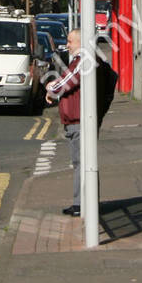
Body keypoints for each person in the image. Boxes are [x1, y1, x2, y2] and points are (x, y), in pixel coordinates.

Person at [45, 28, 92, 217]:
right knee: (79, 163)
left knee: (81, 163)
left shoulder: (83, 62)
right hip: (74, 121)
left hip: (79, 121)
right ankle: (81, 203)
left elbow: (67, 82)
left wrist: (51, 88)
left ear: (80, 42)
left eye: (70, 41)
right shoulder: (78, 62)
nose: (67, 45)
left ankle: (81, 204)